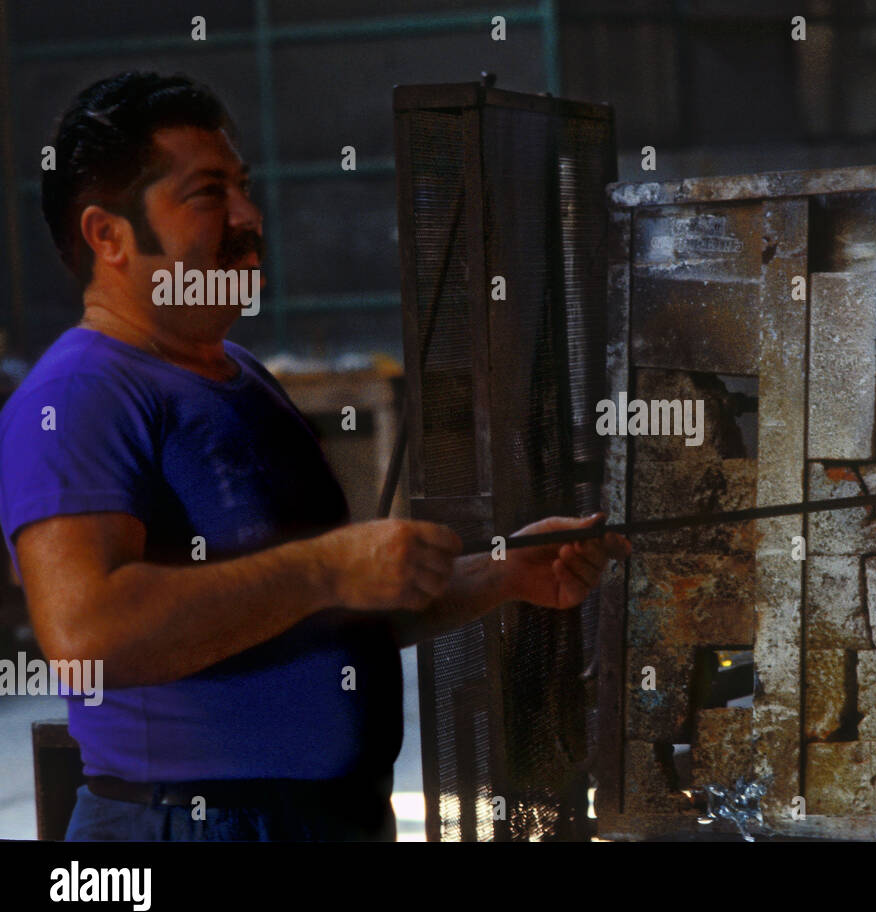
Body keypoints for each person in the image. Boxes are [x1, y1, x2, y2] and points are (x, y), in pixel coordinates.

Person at [0, 71, 629, 841]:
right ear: (109, 235)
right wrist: (328, 566)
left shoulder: (244, 376)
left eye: (243, 186)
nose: (247, 215)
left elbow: (312, 611)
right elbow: (86, 635)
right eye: (207, 194)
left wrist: (502, 573)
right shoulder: (82, 393)